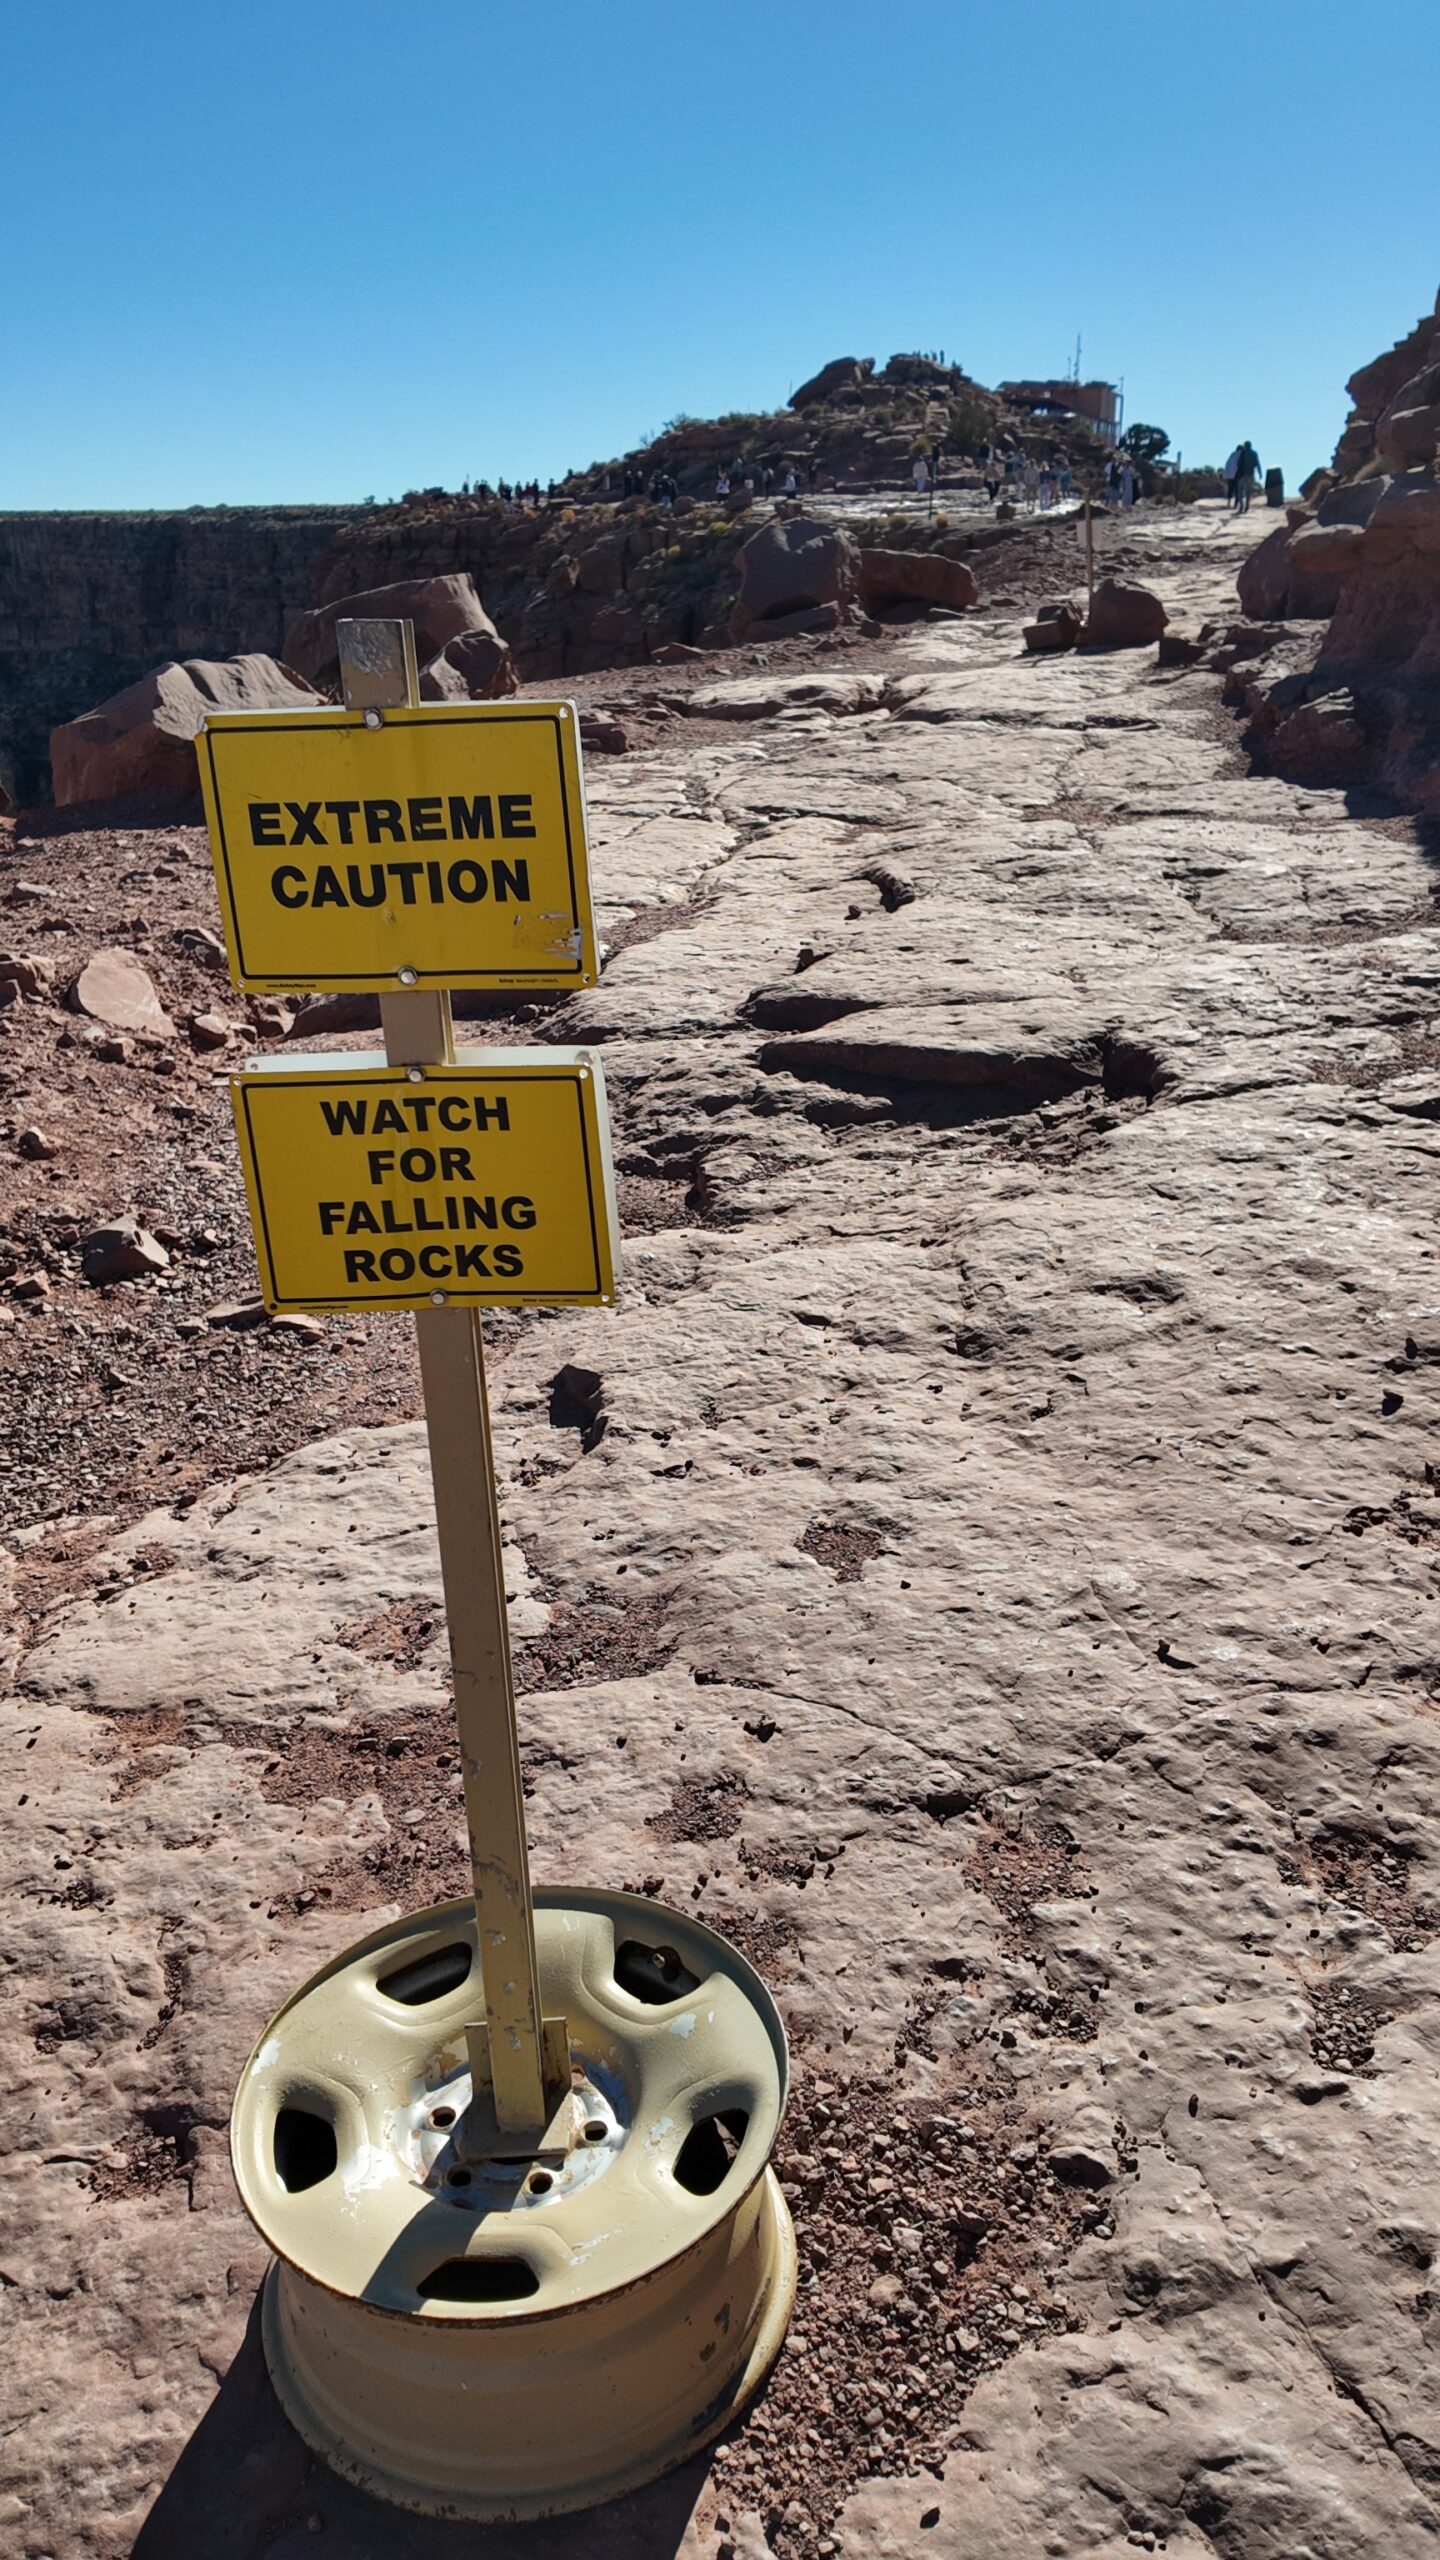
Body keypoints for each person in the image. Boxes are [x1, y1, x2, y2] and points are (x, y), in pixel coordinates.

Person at [1232, 440, 1261, 515]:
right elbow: (1257, 464)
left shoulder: (1242, 453)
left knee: (1240, 490)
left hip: (1242, 475)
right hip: (1250, 474)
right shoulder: (1254, 454)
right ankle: (1247, 506)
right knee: (1248, 491)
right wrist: (1260, 473)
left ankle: (1241, 505)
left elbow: (1238, 464)